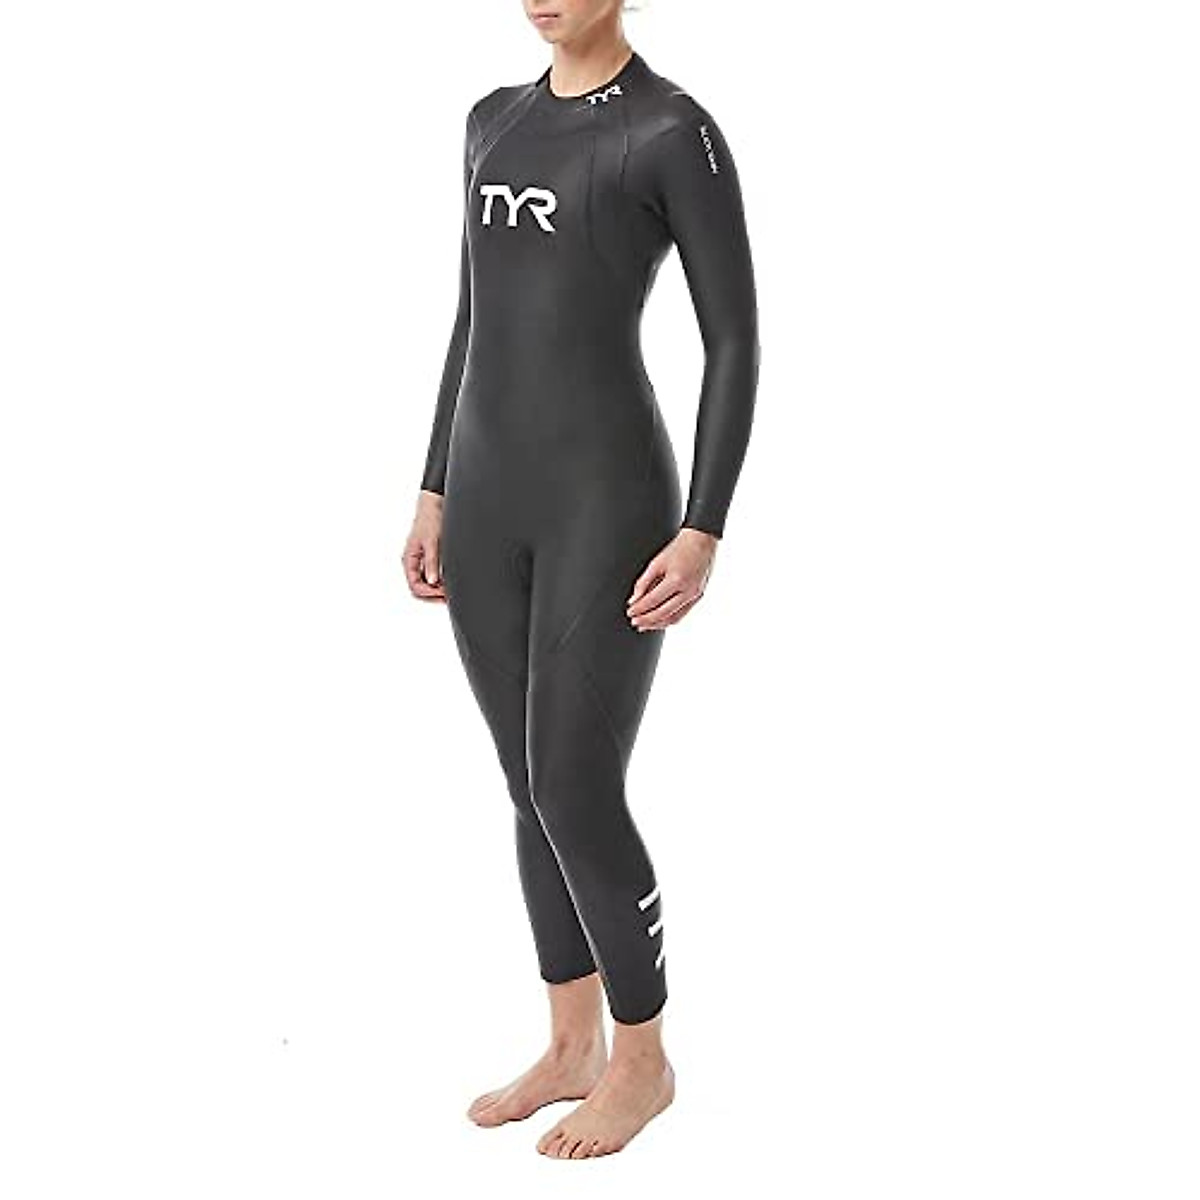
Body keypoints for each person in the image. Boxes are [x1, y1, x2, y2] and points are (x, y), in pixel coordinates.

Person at [403, 0, 759, 1159]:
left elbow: (734, 338)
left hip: (607, 502)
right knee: (527, 782)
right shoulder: (491, 122)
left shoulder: (670, 130)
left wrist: (703, 529)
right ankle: (571, 1046)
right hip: (487, 496)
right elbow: (475, 314)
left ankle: (643, 1059)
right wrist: (434, 486)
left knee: (574, 783)